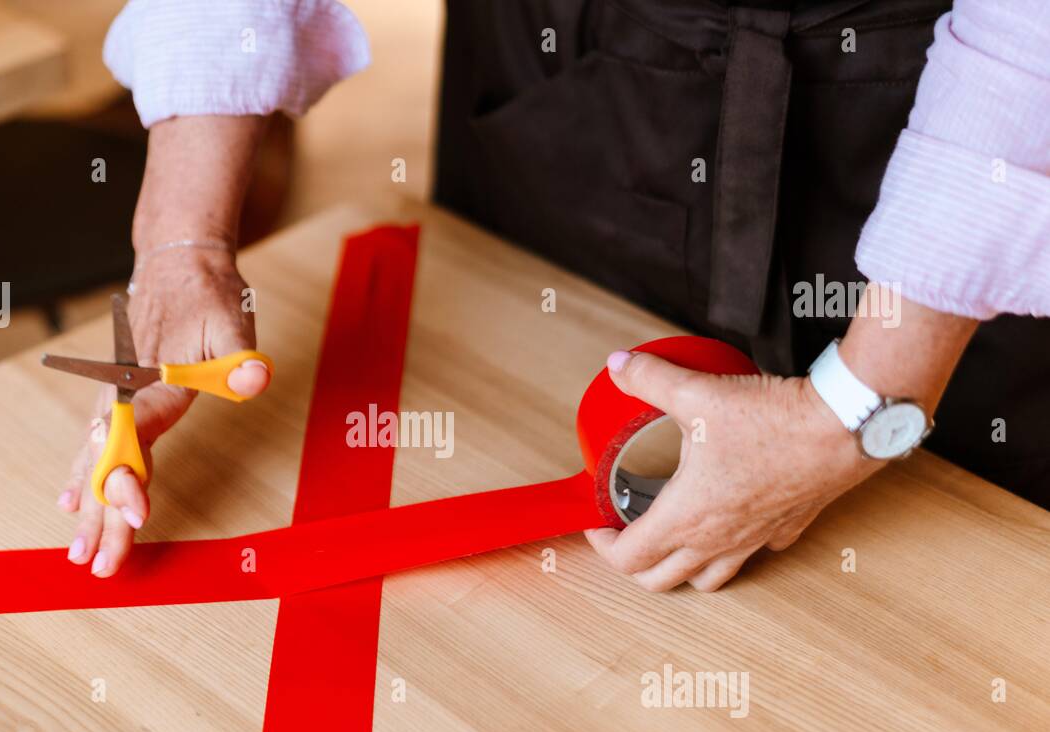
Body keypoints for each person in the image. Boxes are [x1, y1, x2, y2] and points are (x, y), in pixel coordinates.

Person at [59, 0, 1050, 591]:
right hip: (566, 69)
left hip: (942, 129)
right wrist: (180, 242)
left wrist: (859, 408)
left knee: (933, 608)